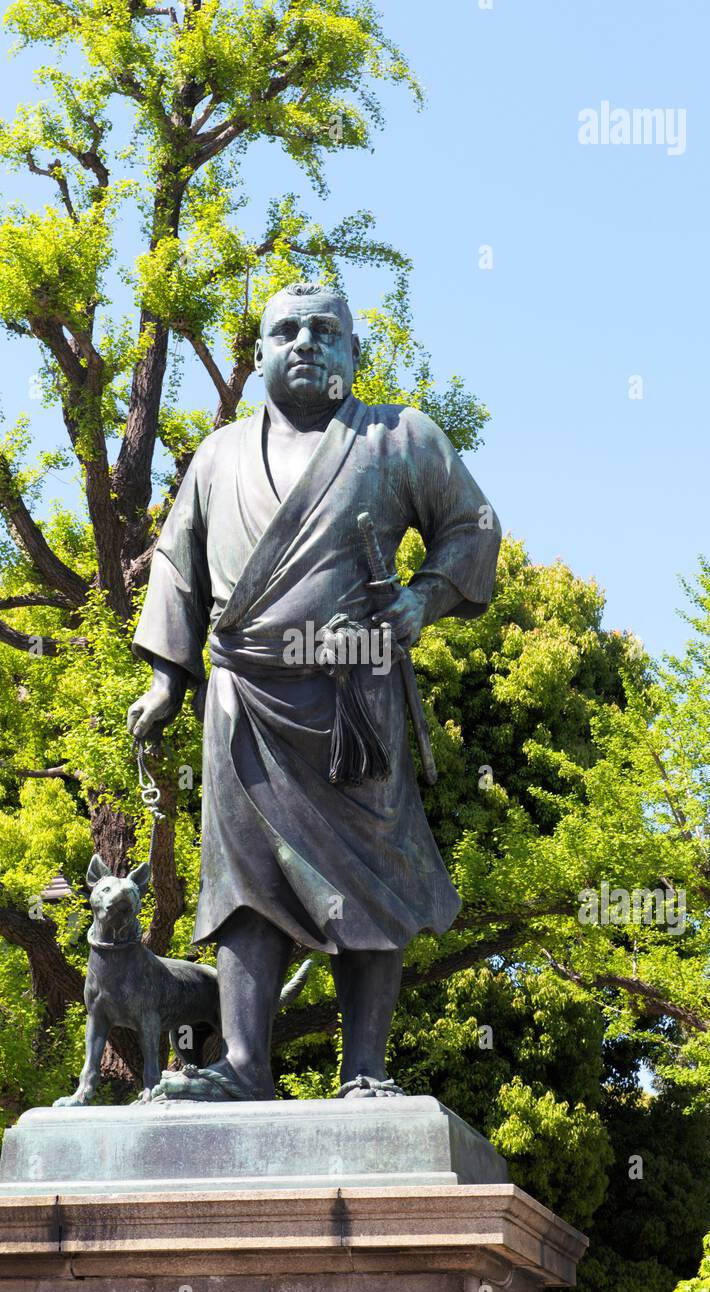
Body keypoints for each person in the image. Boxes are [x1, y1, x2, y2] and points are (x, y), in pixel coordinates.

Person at [127, 282, 501, 1102]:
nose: (306, 342)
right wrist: (165, 677)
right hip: (243, 697)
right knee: (244, 881)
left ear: (354, 354)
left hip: (353, 697)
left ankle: (364, 1068)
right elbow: (175, 564)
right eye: (286, 330)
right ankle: (242, 1065)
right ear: (258, 355)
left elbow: (473, 528)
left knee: (371, 875)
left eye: (325, 330)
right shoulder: (219, 455)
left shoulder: (399, 438)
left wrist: (422, 600)